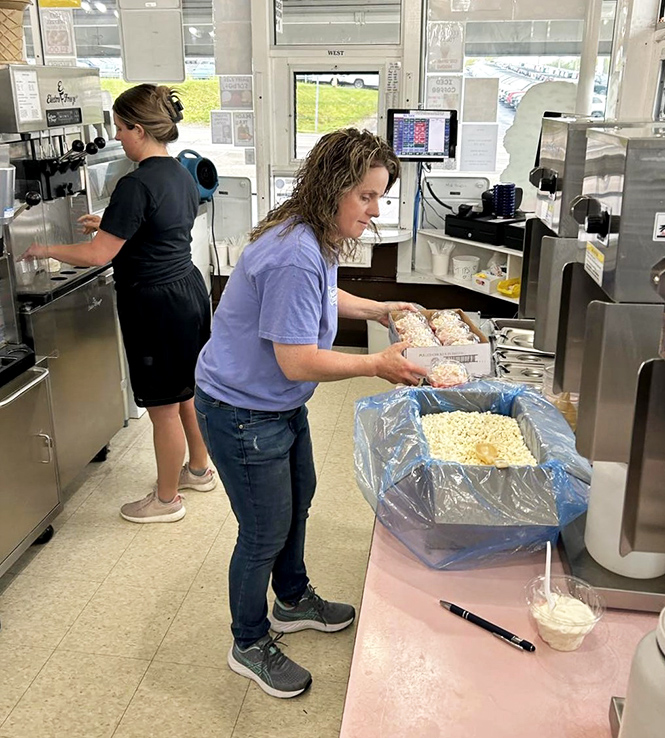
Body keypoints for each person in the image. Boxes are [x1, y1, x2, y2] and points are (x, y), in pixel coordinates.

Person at [194, 128, 427, 699]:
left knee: (298, 501)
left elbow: (324, 297)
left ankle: (293, 600)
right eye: (366, 197)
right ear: (333, 188)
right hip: (242, 410)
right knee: (263, 530)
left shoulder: (312, 233)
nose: (375, 211)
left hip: (276, 404)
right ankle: (248, 641)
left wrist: (380, 308)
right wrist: (376, 365)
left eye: (380, 197)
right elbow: (297, 361)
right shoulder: (294, 254)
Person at [23, 84, 214, 524]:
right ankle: (199, 469)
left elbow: (97, 255)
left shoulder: (136, 182)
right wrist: (110, 223)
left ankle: (166, 501)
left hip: (155, 304)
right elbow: (157, 227)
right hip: (187, 291)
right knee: (185, 389)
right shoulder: (179, 173)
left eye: (121, 129)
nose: (117, 137)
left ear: (139, 129)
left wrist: (44, 249)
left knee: (162, 406)